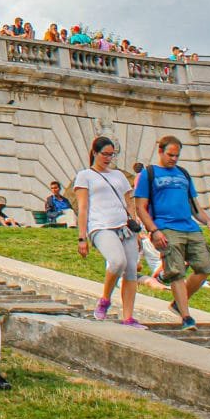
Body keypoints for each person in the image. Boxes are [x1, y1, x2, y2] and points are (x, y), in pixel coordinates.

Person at [133, 134, 210, 330]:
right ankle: (186, 316)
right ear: (160, 151)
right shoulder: (149, 173)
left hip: (190, 226)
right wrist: (154, 231)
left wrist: (208, 221)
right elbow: (140, 207)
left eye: (177, 155)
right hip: (166, 228)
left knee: (204, 267)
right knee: (176, 271)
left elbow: (194, 205)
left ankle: (178, 303)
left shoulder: (183, 174)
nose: (173, 159)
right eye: (170, 154)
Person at [74, 135, 144, 327]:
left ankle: (128, 317)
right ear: (95, 153)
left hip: (124, 226)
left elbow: (129, 203)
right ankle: (105, 299)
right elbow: (83, 208)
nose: (107, 158)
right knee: (117, 261)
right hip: (100, 226)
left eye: (111, 155)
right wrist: (82, 237)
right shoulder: (84, 175)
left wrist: (136, 229)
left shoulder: (119, 176)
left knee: (131, 271)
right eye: (104, 154)